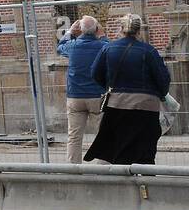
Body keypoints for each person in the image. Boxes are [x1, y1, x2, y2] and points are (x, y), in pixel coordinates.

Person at [86, 14, 170, 165]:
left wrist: (110, 87)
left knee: (119, 148)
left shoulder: (108, 48)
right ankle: (145, 185)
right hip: (146, 107)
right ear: (139, 31)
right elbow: (163, 79)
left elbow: (94, 73)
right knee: (145, 149)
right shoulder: (149, 51)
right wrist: (160, 94)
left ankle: (122, 183)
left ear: (121, 29)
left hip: (117, 105)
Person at [57, 15, 108, 163]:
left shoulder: (72, 46)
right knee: (103, 133)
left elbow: (60, 48)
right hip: (97, 96)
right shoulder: (102, 46)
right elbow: (110, 47)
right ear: (97, 29)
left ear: (80, 30)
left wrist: (69, 33)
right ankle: (104, 167)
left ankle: (74, 169)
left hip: (75, 97)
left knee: (74, 136)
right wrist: (103, 35)